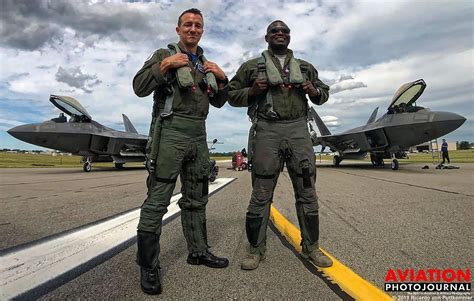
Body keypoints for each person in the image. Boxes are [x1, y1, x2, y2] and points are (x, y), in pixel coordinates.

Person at [132, 8, 229, 295]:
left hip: (199, 134)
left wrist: (222, 78)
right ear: (178, 29)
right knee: (158, 198)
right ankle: (148, 266)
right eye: (187, 24)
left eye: (198, 25)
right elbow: (138, 87)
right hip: (170, 131)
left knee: (197, 197)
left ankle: (198, 251)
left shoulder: (206, 64)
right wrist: (164, 67)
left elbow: (222, 101)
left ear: (202, 30)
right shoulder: (164, 55)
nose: (192, 29)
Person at [228, 20, 333, 270]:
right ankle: (255, 250)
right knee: (260, 194)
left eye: (284, 31)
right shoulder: (252, 67)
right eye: (274, 31)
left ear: (289, 37)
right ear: (266, 38)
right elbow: (231, 95)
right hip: (267, 130)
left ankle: (311, 248)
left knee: (307, 190)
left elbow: (324, 93)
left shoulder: (305, 67)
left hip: (298, 129)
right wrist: (252, 91)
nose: (279, 34)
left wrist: (314, 91)